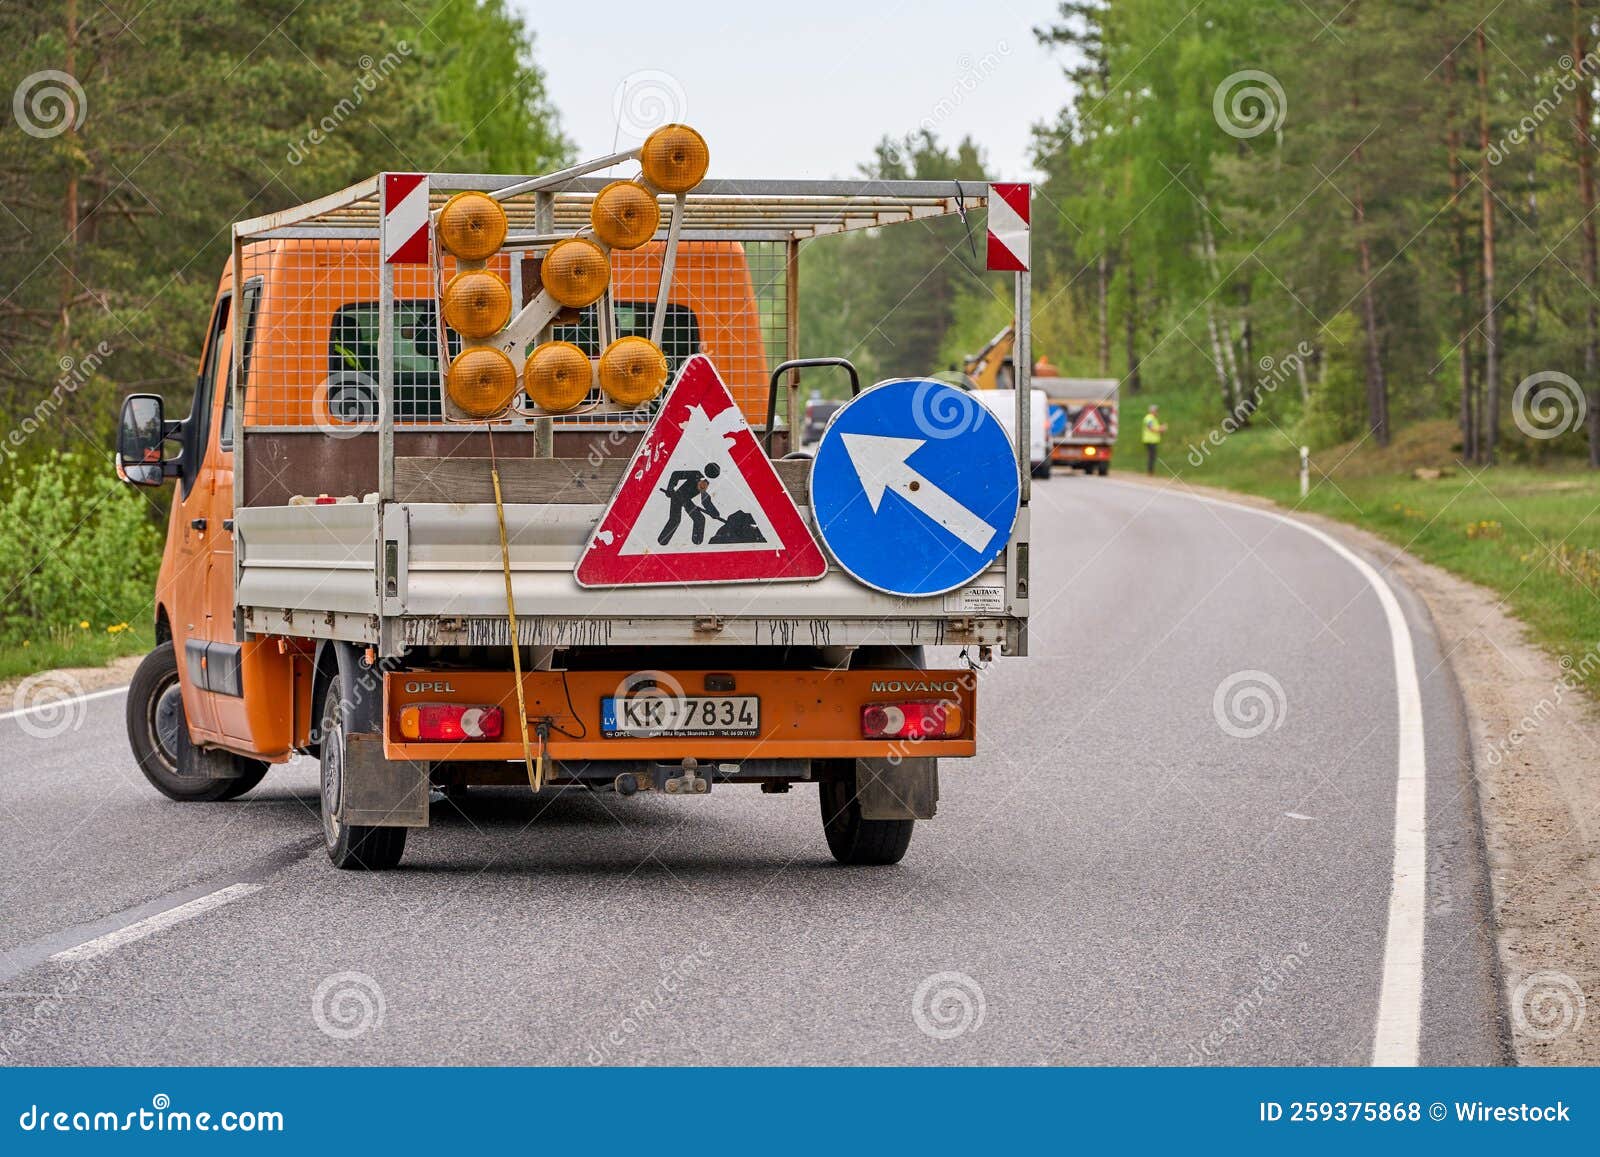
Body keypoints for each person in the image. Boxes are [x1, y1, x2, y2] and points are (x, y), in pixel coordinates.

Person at [658, 463, 723, 546]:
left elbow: (705, 501)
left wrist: (714, 513)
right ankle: (662, 541)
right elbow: (676, 474)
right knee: (675, 520)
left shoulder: (705, 483)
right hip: (678, 496)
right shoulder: (696, 474)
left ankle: (697, 542)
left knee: (700, 519)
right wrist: (670, 488)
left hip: (686, 500)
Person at [1142, 404, 1167, 475]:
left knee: (1152, 455)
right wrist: (1161, 429)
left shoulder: (1153, 418)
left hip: (1152, 440)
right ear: (1152, 411)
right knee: (1151, 456)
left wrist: (1161, 428)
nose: (1157, 412)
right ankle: (1150, 471)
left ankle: (1151, 470)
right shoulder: (1149, 418)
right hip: (1150, 440)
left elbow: (1154, 427)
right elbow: (1151, 428)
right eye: (1156, 411)